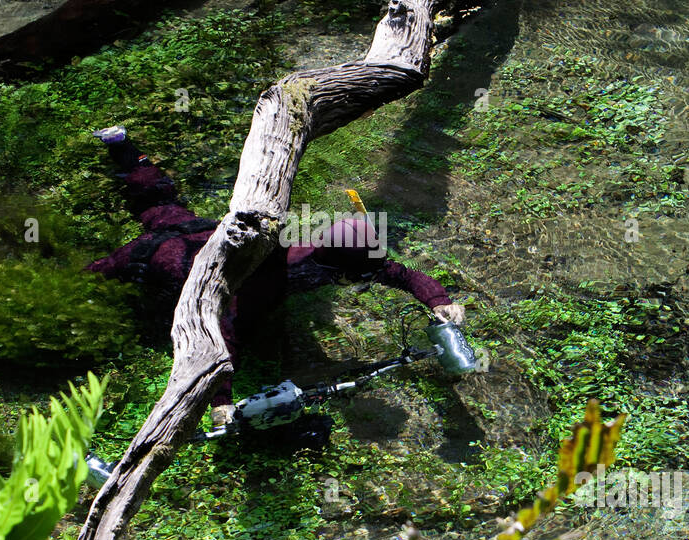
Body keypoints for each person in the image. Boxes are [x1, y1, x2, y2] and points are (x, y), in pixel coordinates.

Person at [85, 125, 464, 424]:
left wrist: (440, 301)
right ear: (340, 267)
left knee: (159, 202)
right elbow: (226, 332)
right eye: (364, 273)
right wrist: (222, 402)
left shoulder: (319, 245)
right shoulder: (275, 278)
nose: (375, 275)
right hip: (164, 261)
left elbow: (401, 274)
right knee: (97, 276)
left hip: (195, 230)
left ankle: (119, 144)